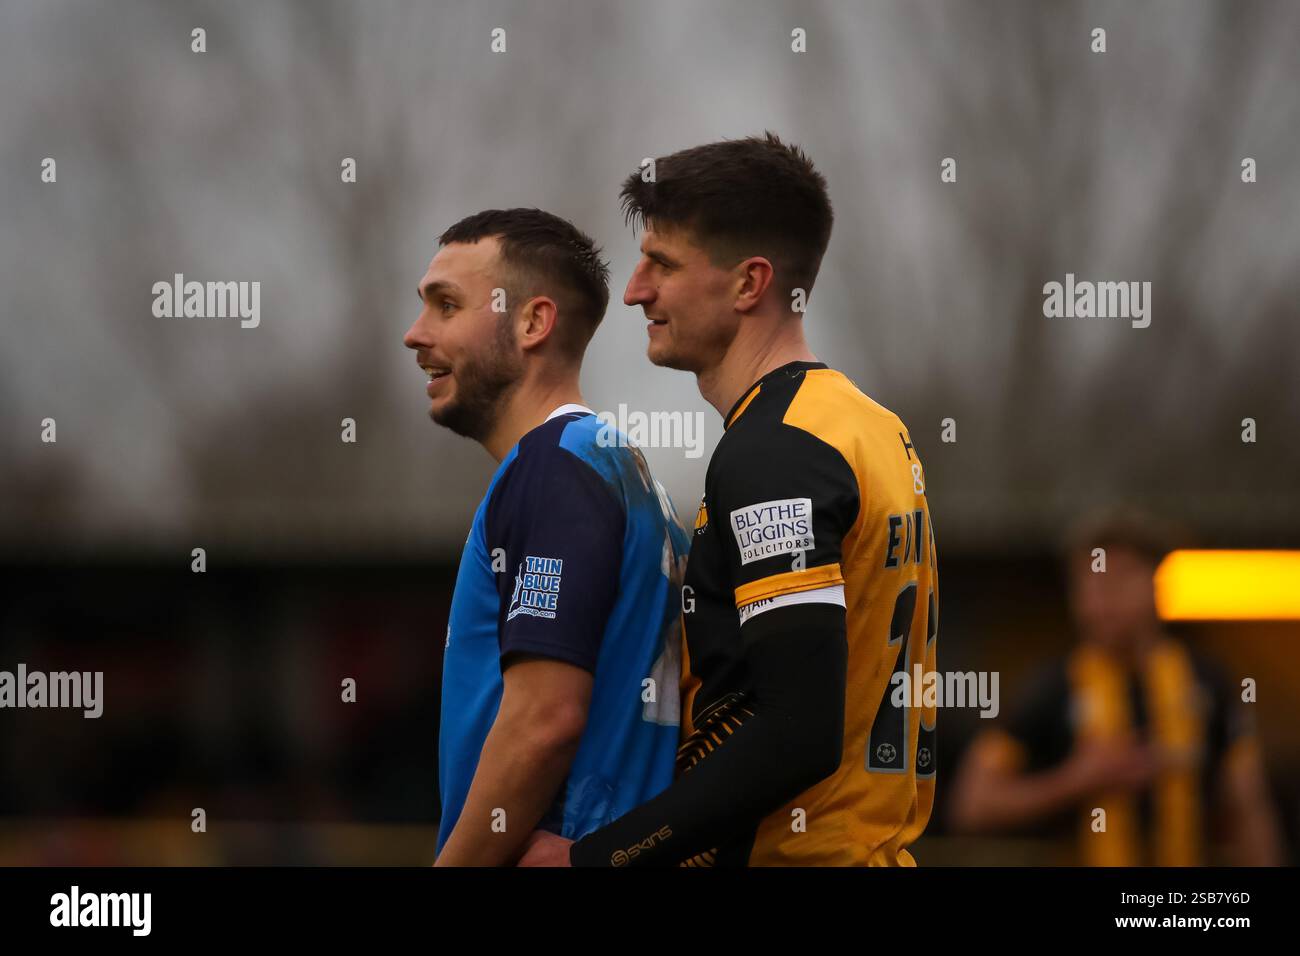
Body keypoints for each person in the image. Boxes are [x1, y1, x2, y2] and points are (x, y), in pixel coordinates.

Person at [521, 133, 939, 866]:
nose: (634, 289)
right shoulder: (869, 427)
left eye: (664, 265)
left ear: (749, 284)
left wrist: (599, 860)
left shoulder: (776, 452)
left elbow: (795, 731)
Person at [404, 208, 688, 865]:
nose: (415, 334)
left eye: (446, 305)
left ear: (533, 321)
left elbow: (545, 722)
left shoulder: (555, 464)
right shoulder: (619, 468)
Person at [949, 507, 1285, 866]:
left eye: (1119, 579)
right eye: (1089, 582)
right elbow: (972, 805)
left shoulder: (1207, 682)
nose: (1101, 599)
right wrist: (1076, 780)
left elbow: (1249, 807)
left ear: (1156, 583)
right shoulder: (1050, 688)